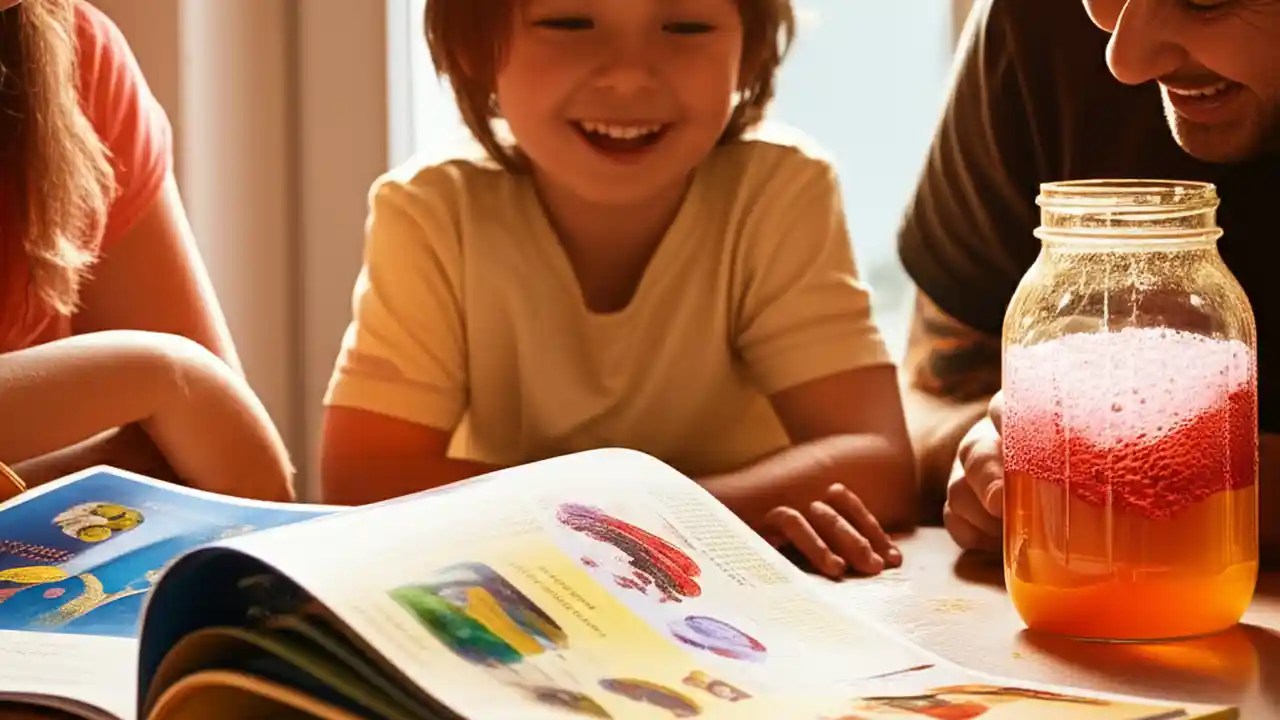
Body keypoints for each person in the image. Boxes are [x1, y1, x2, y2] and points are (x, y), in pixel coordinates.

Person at [321, 0, 917, 577]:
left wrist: (640, 523)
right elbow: (363, 477)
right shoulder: (432, 212)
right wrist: (660, 521)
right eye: (569, 21)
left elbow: (877, 460)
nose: (630, 73)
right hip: (535, 595)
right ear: (473, 48)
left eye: (684, 26)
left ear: (752, 50)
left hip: (735, 595)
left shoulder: (778, 192)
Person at [898, 0, 1280, 552]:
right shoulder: (1037, 24)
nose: (1124, 60)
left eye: (1205, 2)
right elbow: (922, 404)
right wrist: (992, 454)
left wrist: (1234, 492)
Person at [0, 0, 293, 501]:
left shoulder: (74, 55)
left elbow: (218, 473)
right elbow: (193, 418)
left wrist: (167, 381)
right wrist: (156, 375)